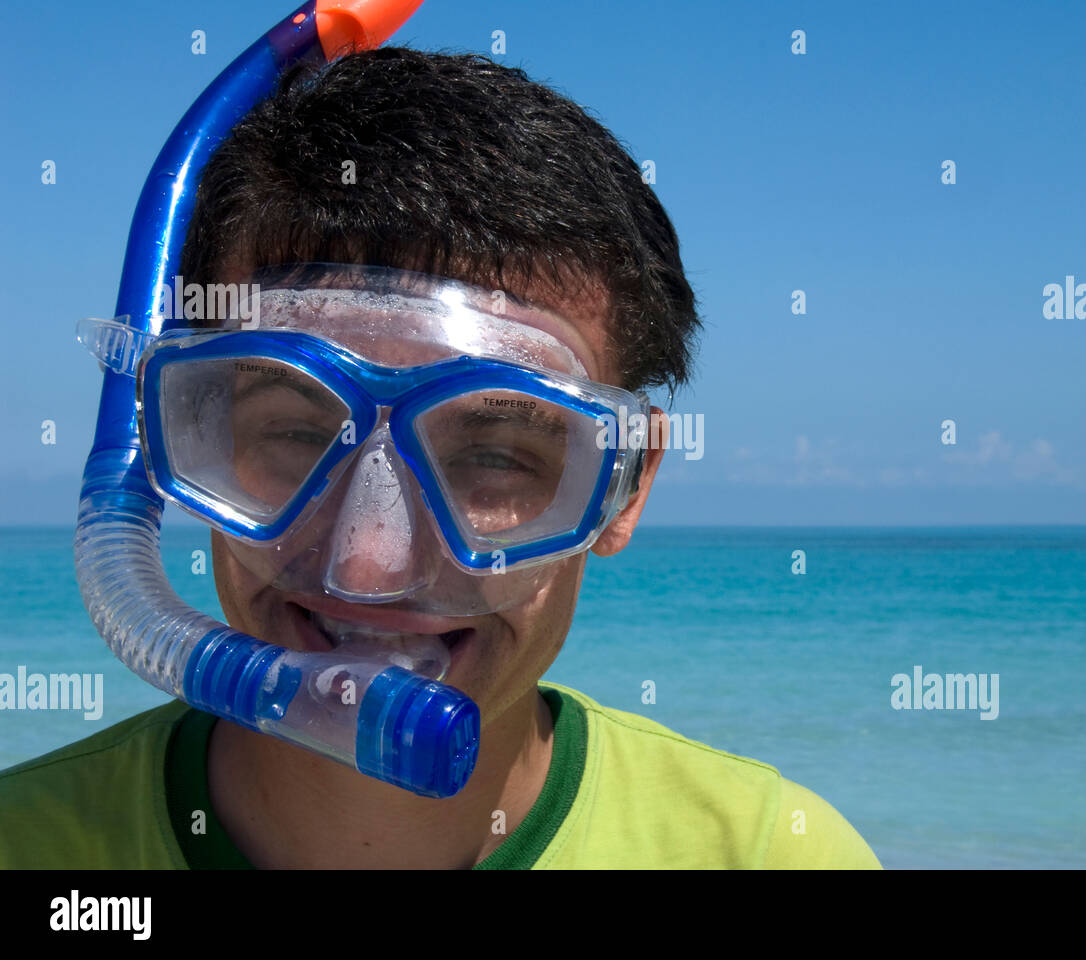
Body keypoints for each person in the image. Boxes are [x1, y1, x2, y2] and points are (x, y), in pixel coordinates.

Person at [0, 39, 880, 869]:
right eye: (299, 433)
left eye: (494, 456)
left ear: (624, 487)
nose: (369, 565)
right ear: (191, 438)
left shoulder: (768, 855)